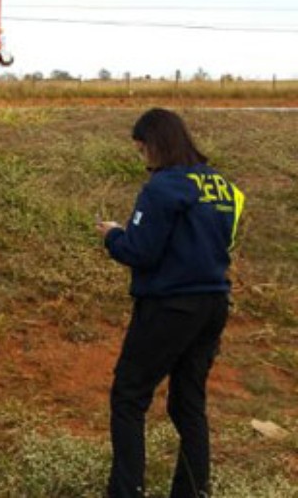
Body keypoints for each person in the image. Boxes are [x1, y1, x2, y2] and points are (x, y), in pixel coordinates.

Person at [97, 108, 245, 498]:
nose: (142, 158)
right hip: (214, 302)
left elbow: (140, 251)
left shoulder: (163, 187)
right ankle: (194, 491)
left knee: (129, 396)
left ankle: (126, 491)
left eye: (142, 149)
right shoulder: (222, 186)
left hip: (169, 305)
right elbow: (226, 242)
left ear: (155, 144)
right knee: (188, 403)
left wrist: (113, 236)